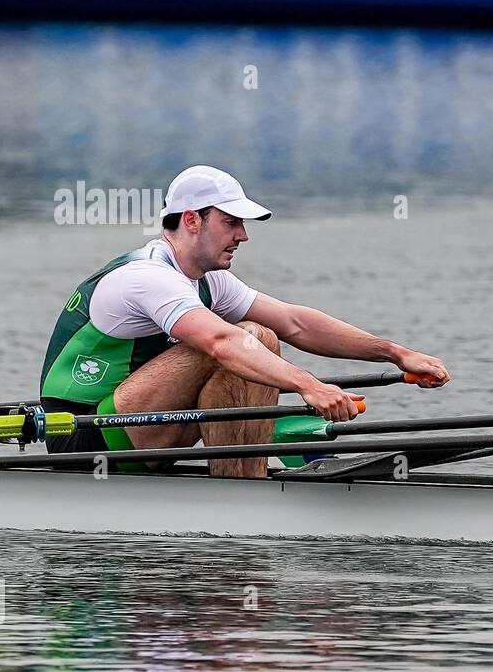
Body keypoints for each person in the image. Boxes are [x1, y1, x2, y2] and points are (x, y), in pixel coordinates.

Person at [40, 165, 448, 477]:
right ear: (192, 220)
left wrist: (396, 354)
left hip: (142, 424)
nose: (243, 235)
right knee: (249, 338)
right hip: (82, 435)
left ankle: (242, 483)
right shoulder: (147, 277)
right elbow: (222, 344)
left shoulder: (209, 281)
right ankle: (245, 488)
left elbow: (295, 323)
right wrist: (309, 386)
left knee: (264, 334)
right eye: (231, 222)